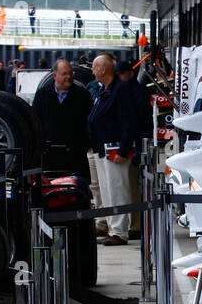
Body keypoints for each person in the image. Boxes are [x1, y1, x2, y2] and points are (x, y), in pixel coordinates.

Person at [86, 53, 134, 245]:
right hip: (101, 148)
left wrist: (123, 149)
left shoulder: (119, 90)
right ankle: (113, 227)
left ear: (103, 69)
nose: (92, 70)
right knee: (106, 191)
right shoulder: (103, 90)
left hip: (115, 150)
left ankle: (120, 231)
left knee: (117, 190)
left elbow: (128, 121)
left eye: (94, 67)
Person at [32, 58, 93, 183]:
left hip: (76, 156)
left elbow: (90, 123)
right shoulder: (42, 94)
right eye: (64, 74)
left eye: (70, 73)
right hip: (49, 156)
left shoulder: (83, 95)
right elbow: (36, 122)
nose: (69, 76)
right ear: (55, 75)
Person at [116, 56, 151, 240]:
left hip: (137, 143)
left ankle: (135, 224)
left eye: (121, 74)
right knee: (132, 186)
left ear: (129, 73)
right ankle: (135, 223)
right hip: (138, 142)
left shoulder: (133, 91)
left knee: (132, 186)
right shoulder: (137, 90)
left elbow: (134, 121)